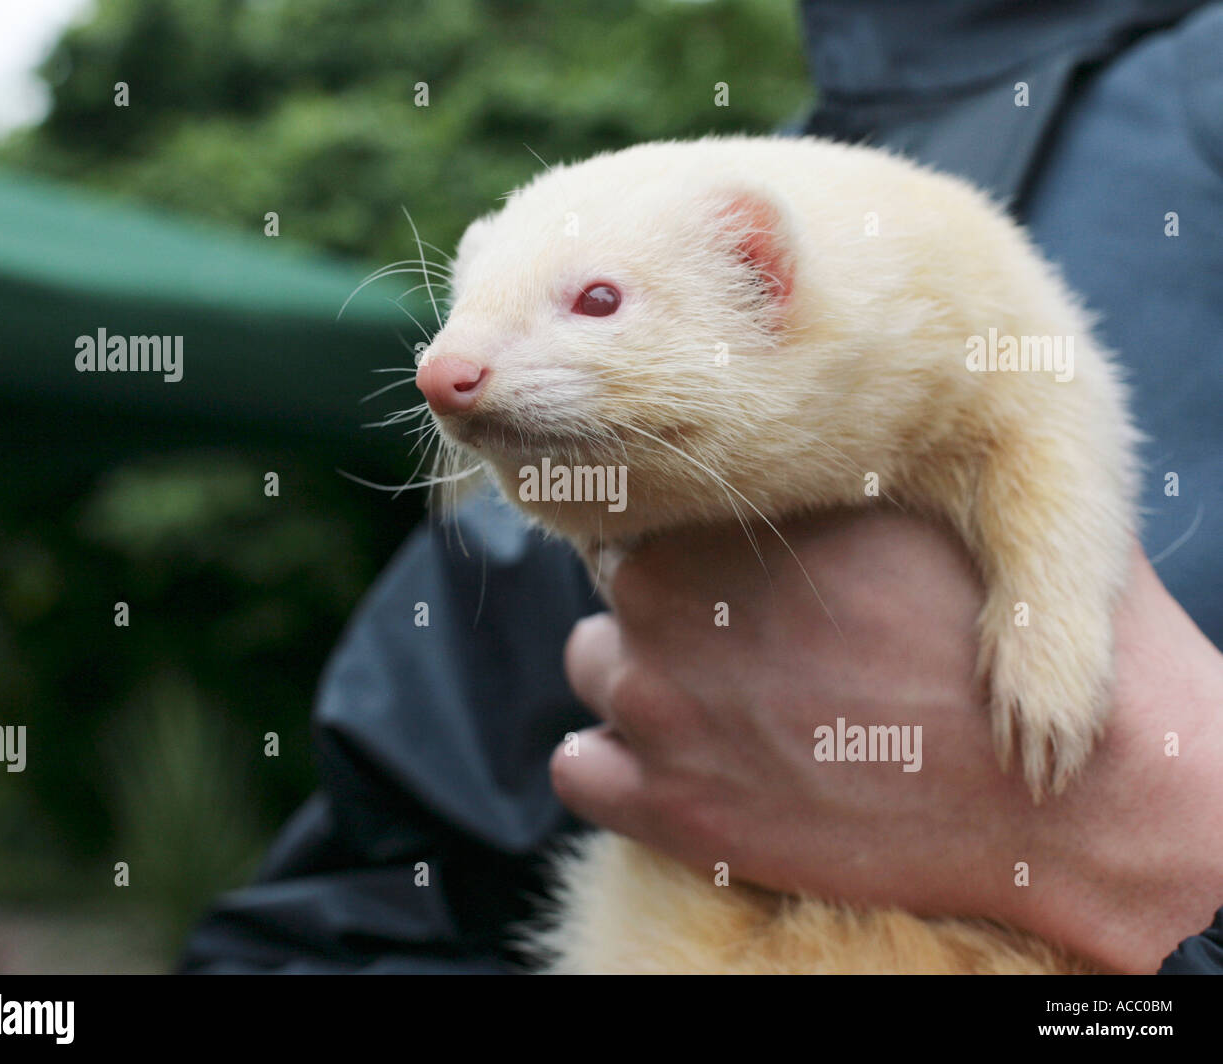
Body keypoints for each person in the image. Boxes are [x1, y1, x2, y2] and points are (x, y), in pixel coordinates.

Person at [180, 0, 1223, 973]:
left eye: (593, 303)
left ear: (764, 278)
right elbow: (338, 919)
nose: (446, 367)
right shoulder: (674, 217)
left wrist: (1154, 830)